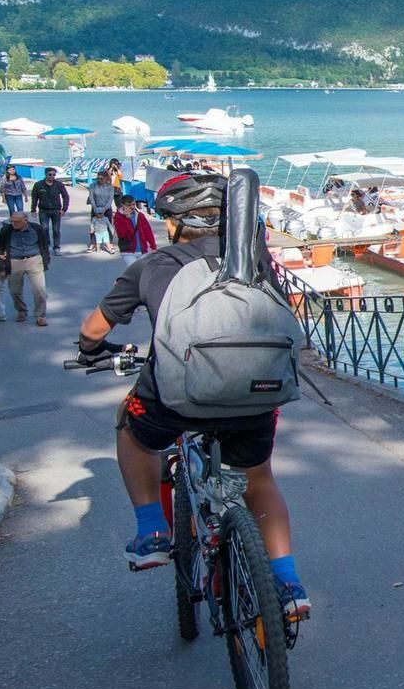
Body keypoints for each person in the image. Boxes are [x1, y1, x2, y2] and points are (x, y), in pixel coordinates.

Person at [74, 172, 308, 620]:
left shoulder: (154, 264)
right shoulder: (253, 262)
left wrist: (89, 351)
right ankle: (288, 583)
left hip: (176, 398)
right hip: (257, 395)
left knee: (131, 424)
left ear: (175, 224)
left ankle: (152, 533)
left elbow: (93, 329)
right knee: (258, 479)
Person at [0, 208, 51, 324]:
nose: (13, 224)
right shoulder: (6, 230)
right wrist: (1, 268)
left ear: (25, 220)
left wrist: (46, 260)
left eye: (16, 221)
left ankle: (40, 315)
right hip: (15, 261)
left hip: (34, 260)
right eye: (12, 221)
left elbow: (44, 244)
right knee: (15, 290)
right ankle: (21, 310)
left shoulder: (36, 229)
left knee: (40, 290)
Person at [112, 193, 159, 266]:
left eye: (133, 204)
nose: (132, 207)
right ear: (123, 205)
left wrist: (153, 246)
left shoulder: (140, 215)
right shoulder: (118, 217)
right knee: (133, 272)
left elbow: (147, 231)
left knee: (143, 272)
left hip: (142, 250)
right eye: (129, 205)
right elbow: (122, 234)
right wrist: (127, 219)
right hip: (128, 251)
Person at [31, 167, 70, 251]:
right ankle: (47, 244)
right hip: (43, 210)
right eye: (50, 174)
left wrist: (64, 209)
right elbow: (34, 197)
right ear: (46, 174)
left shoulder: (59, 184)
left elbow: (65, 196)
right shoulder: (38, 185)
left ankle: (56, 247)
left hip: (56, 210)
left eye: (54, 175)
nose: (52, 176)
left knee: (56, 230)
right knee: (44, 229)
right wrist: (33, 209)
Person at [86, 170, 117, 252]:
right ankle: (93, 243)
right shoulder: (93, 185)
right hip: (96, 207)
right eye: (98, 179)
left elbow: (110, 200)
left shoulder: (110, 187)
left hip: (106, 208)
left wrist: (104, 209)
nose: (99, 180)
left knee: (108, 224)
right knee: (93, 225)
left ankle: (109, 243)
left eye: (101, 179)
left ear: (106, 178)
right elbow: (91, 197)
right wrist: (95, 207)